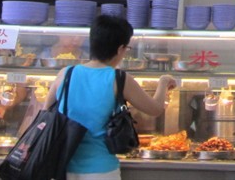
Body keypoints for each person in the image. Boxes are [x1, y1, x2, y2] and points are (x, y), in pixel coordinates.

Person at [45, 15, 176, 180]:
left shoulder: (65, 74)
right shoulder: (118, 78)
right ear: (121, 49)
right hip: (101, 170)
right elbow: (155, 109)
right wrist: (163, 82)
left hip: (62, 167)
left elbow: (45, 113)